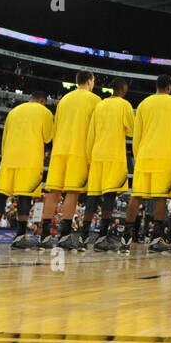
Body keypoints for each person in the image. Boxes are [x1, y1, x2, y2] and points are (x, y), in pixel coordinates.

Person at [23, 70, 97, 250]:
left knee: (53, 192)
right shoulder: (95, 100)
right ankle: (64, 235)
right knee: (72, 192)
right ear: (90, 81)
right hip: (79, 150)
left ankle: (44, 234)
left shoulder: (64, 99)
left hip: (59, 150)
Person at [0, 90, 53, 249]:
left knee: (0, 195)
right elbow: (48, 137)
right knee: (25, 197)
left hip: (9, 158)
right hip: (30, 159)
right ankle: (20, 236)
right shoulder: (45, 111)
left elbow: (5, 137)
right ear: (42, 100)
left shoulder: (13, 111)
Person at [74, 78, 133, 251]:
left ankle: (84, 237)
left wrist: (89, 157)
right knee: (109, 197)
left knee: (92, 197)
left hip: (97, 154)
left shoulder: (99, 105)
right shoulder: (124, 105)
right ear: (123, 88)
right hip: (114, 156)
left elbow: (91, 133)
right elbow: (131, 129)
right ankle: (101, 238)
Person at [127, 75, 171, 252]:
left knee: (136, 195)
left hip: (144, 155)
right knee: (161, 197)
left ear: (156, 86)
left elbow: (136, 136)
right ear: (170, 88)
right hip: (164, 156)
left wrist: (139, 155)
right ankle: (156, 238)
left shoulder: (144, 104)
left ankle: (126, 236)